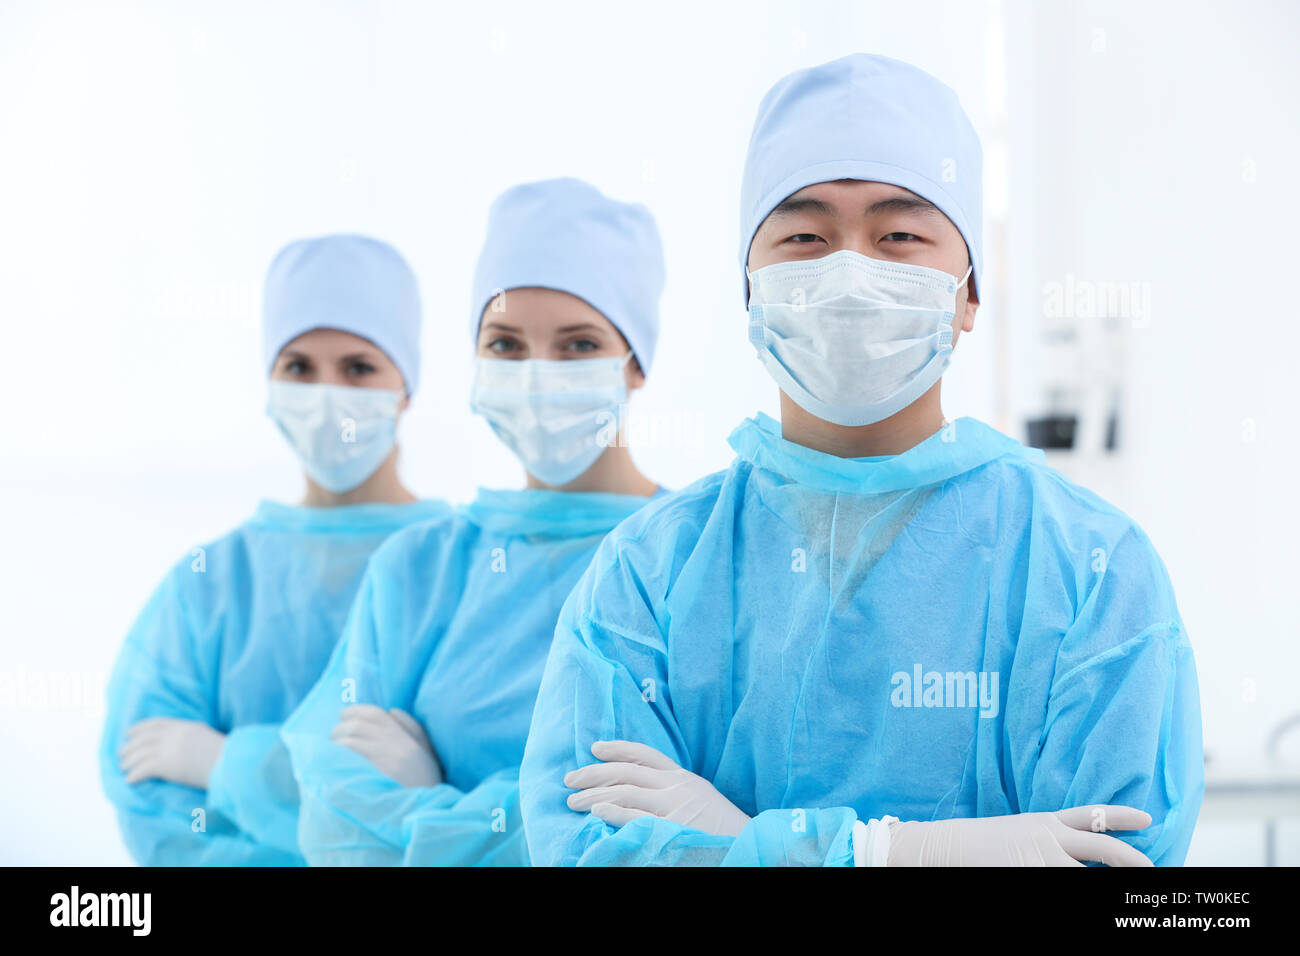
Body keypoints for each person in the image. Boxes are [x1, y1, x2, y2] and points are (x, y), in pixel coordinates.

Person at [519, 54, 1204, 867]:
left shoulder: (1091, 574)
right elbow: (589, 850)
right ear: (750, 289)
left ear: (971, 293)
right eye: (805, 235)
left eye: (900, 235)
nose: (849, 270)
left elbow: (1126, 866)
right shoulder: (646, 578)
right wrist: (912, 852)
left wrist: (749, 844)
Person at [281, 178, 666, 865]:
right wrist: (498, 822)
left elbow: (659, 836)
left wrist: (425, 805)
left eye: (577, 345)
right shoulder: (418, 567)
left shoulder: (688, 557)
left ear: (634, 363)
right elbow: (335, 827)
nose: (538, 372)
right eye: (506, 345)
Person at [101, 234, 448, 865]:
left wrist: (229, 765)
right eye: (298, 367)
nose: (326, 393)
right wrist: (386, 813)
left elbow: (501, 800)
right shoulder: (209, 586)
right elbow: (156, 812)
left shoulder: (460, 568)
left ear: (406, 387)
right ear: (269, 382)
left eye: (359, 367)